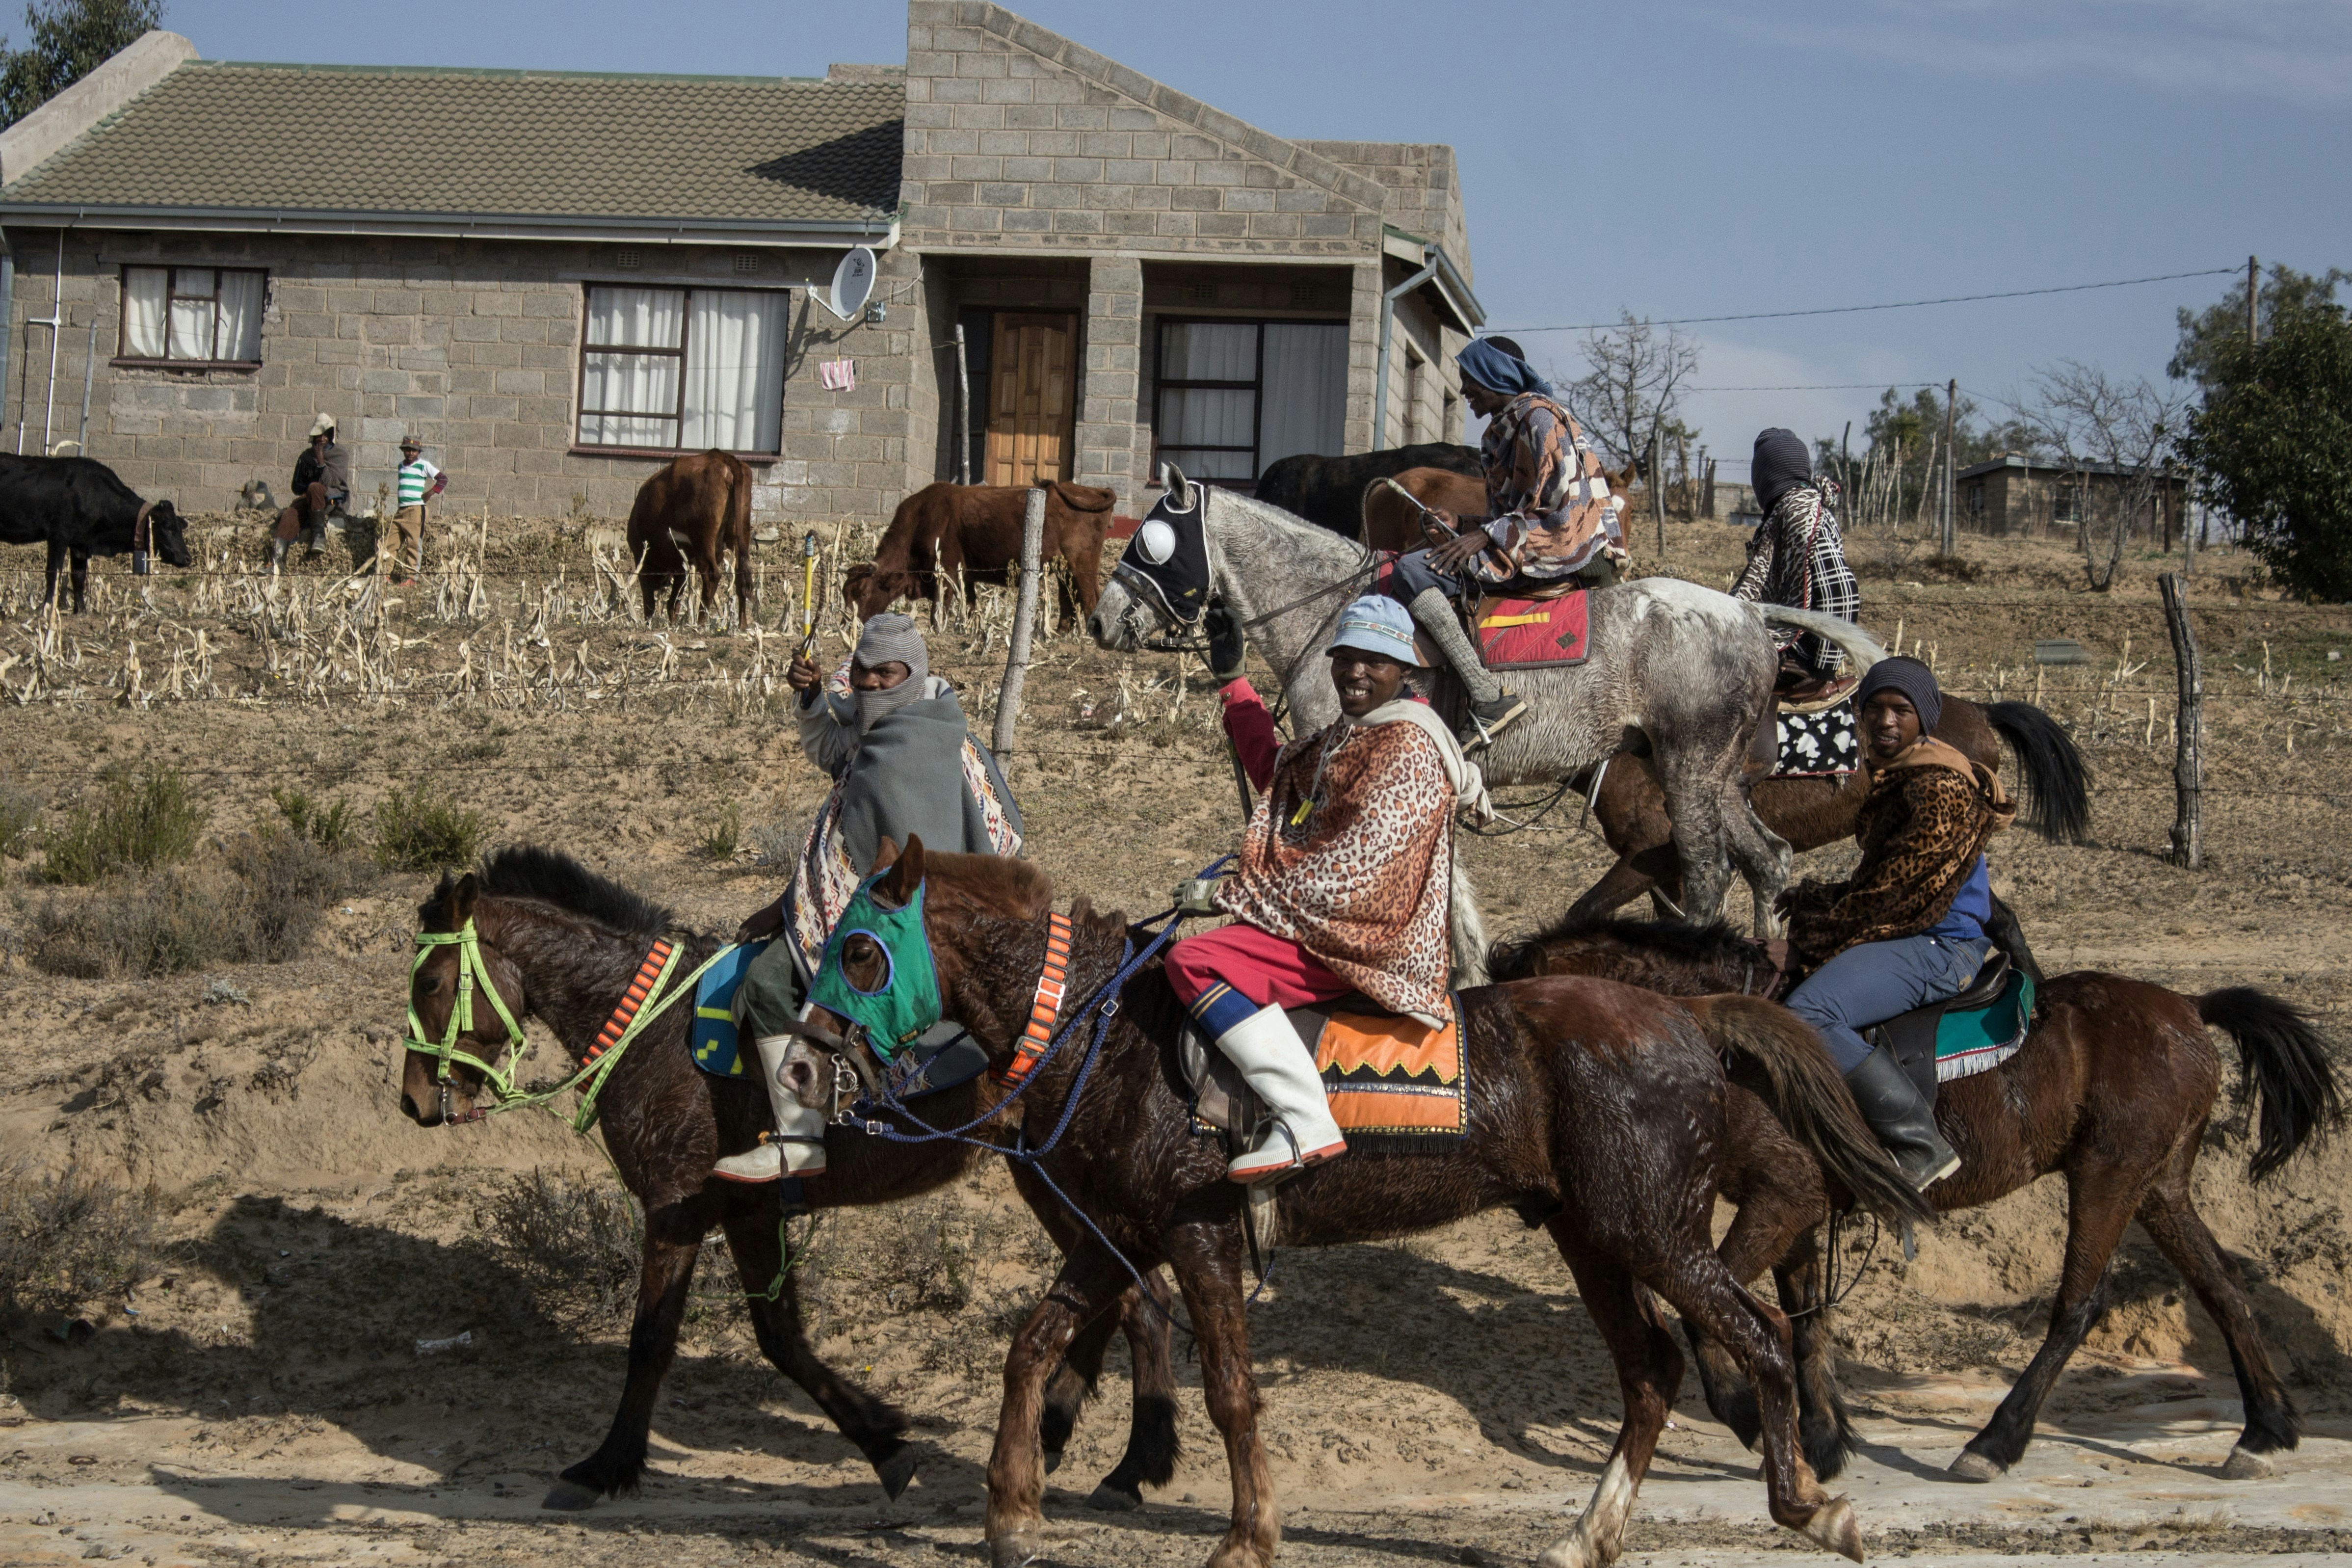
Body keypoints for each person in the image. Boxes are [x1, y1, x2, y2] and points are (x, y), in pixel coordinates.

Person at [1164, 595, 1488, 1182]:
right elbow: (1282, 774)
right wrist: (1236, 685)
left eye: (1375, 660)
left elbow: (1353, 878)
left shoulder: (1410, 750)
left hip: (1369, 942)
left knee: (1194, 959)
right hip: (1326, 924)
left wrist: (1231, 897)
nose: (1355, 672)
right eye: (1345, 657)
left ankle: (1303, 1114)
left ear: (1403, 671)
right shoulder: (1354, 733)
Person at [714, 613, 1023, 1184]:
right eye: (863, 672)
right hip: (873, 905)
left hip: (887, 918)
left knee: (764, 983)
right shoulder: (894, 726)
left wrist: (799, 909)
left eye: (887, 674)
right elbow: (838, 750)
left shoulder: (924, 747)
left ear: (913, 673)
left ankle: (799, 1136)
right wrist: (812, 700)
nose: (872, 684)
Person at [1776, 657, 2015, 1190]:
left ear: (1923, 719)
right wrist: (1815, 902)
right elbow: (1884, 884)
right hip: (1914, 928)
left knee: (1810, 1013)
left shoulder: (1937, 788)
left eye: (1900, 711)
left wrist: (1809, 938)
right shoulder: (1907, 774)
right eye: (1874, 709)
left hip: (1937, 945)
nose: (1885, 721)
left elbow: (1895, 897)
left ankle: (1917, 1143)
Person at [1388, 335, 1628, 751]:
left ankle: (1487, 697)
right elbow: (1515, 512)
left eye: (1469, 381)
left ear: (1494, 375)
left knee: (1410, 570)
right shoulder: (1503, 430)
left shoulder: (1539, 421)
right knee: (1417, 555)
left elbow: (1561, 510)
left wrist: (1485, 534)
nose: (1464, 391)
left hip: (1561, 549)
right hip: (1528, 541)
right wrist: (1461, 522)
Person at [1734, 427, 1859, 691]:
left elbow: (1842, 592)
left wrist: (1821, 671)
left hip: (1795, 654)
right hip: (1789, 649)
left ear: (1766, 477)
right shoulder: (1791, 512)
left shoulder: (1799, 514)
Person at [271, 414, 350, 568]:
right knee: (290, 513)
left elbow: (334, 483)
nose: (322, 438)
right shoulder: (307, 456)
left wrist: (321, 463)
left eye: (325, 434)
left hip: (333, 498)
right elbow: (296, 486)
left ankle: (318, 537)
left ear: (331, 435)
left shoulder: (340, 454)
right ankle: (277, 561)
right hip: (310, 498)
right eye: (318, 435)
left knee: (315, 488)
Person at [390, 434, 447, 585]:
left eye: (414, 451)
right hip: (401, 510)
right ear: (403, 451)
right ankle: (384, 575)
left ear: (419, 452)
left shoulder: (423, 465)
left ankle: (411, 578)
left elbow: (443, 479)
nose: (410, 453)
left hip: (415, 509)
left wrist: (429, 493)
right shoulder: (401, 466)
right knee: (390, 543)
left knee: (414, 544)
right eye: (408, 450)